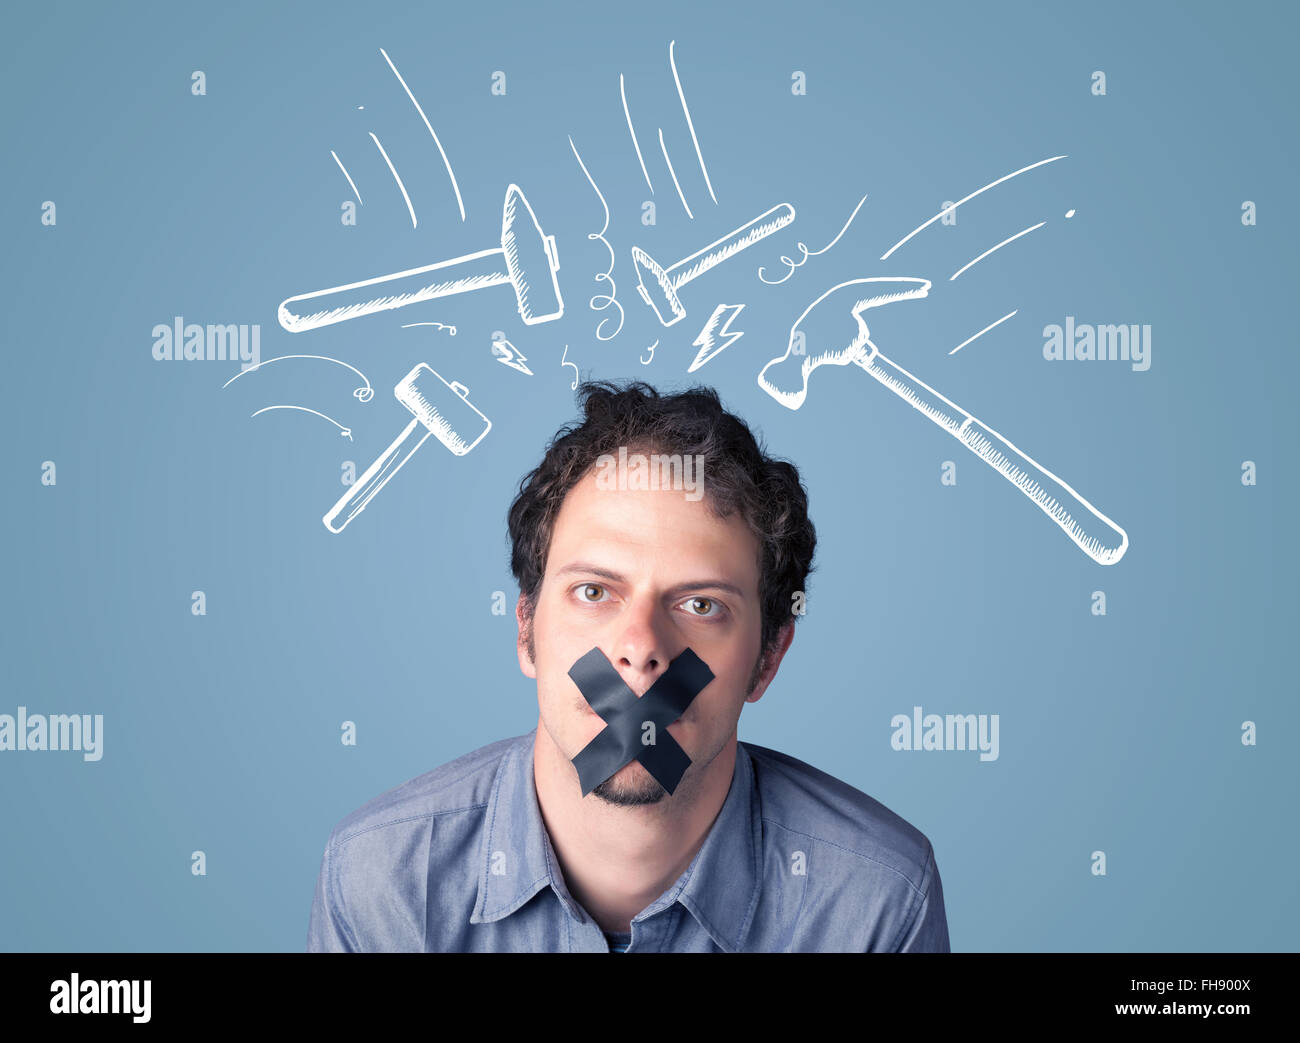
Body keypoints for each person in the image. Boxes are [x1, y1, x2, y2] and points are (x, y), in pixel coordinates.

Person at [308, 380, 950, 952]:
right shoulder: (383, 880)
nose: (640, 647)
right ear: (527, 628)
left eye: (701, 604)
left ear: (768, 658)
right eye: (594, 592)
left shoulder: (877, 903)